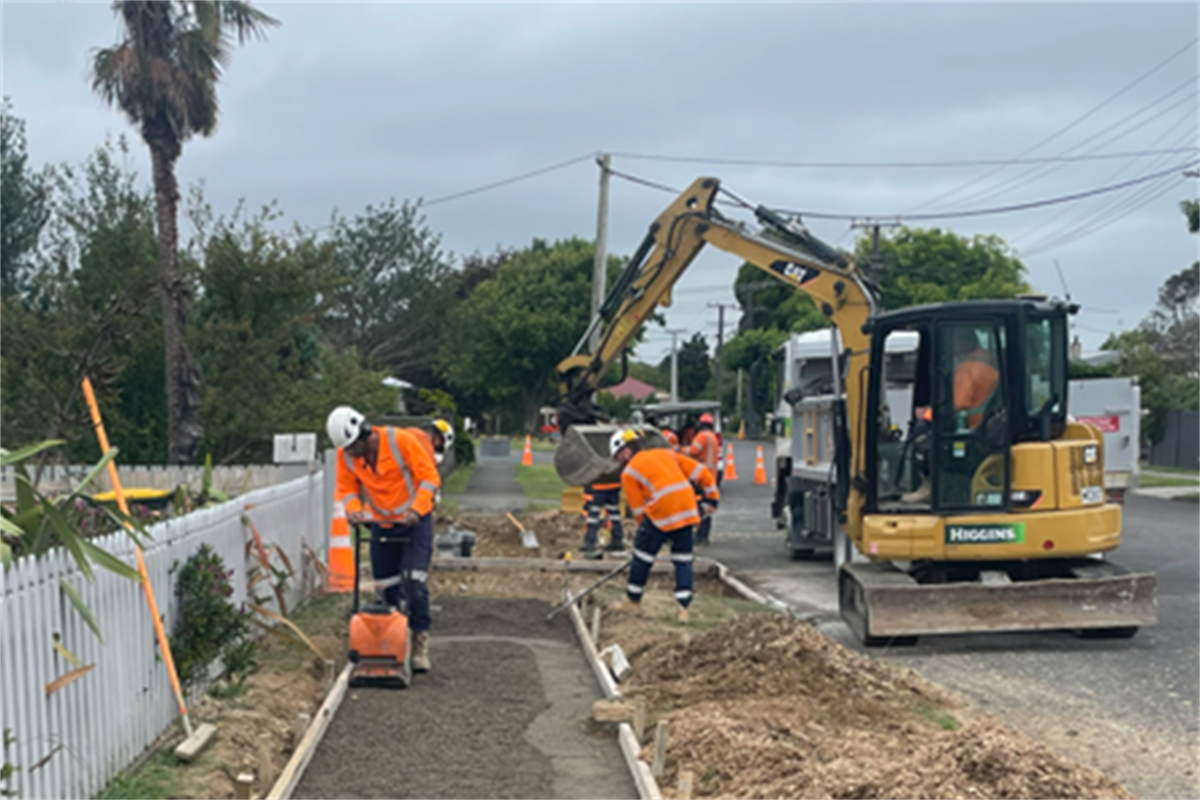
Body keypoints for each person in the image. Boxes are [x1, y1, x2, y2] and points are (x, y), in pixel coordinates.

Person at [327, 405, 441, 673]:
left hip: (415, 520)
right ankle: (390, 642)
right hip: (381, 524)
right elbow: (347, 488)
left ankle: (419, 640)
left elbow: (428, 477)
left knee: (415, 581)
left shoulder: (400, 441)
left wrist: (417, 509)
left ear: (365, 432)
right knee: (387, 586)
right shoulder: (346, 457)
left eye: (355, 446)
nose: (353, 454)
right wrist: (354, 512)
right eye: (348, 449)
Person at [611, 428, 719, 624]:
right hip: (687, 509)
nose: (618, 461)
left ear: (626, 450)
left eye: (618, 456)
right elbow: (701, 472)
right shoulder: (666, 453)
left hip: (661, 512)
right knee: (683, 559)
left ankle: (633, 600)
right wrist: (712, 498)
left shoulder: (628, 473)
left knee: (642, 557)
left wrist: (646, 534)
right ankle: (683, 609)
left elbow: (638, 511)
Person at [902, 329, 1000, 504]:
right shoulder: (990, 363)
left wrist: (924, 413)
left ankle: (929, 485)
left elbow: (954, 407)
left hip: (972, 430)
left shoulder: (967, 369)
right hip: (986, 427)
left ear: (961, 343)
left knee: (921, 432)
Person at [683, 413, 722, 544]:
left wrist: (679, 450)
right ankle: (704, 535)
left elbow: (694, 451)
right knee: (708, 504)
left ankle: (699, 535)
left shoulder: (702, 436)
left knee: (699, 504)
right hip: (712, 475)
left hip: (702, 475)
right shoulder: (713, 437)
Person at [580, 478, 625, 556]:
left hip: (598, 485)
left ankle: (590, 541)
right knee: (613, 511)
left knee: (593, 514)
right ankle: (617, 539)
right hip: (614, 484)